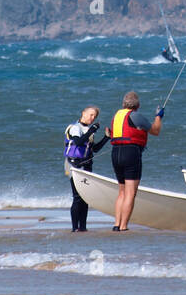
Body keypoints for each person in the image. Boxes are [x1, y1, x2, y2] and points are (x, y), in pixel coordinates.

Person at [106, 91, 163, 231]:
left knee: (122, 192)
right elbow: (155, 131)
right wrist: (158, 116)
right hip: (130, 153)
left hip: (116, 153)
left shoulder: (117, 115)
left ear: (123, 103)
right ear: (137, 105)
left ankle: (116, 224)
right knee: (131, 193)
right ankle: (124, 226)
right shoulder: (135, 115)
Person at [64, 106, 108, 232]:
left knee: (86, 197)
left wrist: (106, 137)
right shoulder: (74, 128)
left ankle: (83, 227)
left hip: (86, 164)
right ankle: (74, 228)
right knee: (77, 196)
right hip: (73, 164)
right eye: (91, 114)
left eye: (95, 116)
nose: (92, 118)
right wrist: (91, 131)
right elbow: (78, 142)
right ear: (83, 113)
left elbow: (94, 149)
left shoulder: (89, 130)